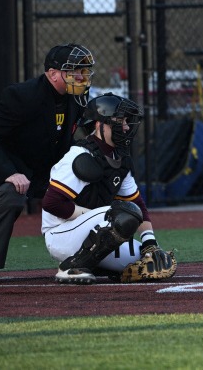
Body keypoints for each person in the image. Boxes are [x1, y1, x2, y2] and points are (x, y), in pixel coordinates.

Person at [0, 43, 95, 284]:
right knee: (12, 193)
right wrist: (9, 173)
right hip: (0, 162)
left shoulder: (77, 97)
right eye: (74, 71)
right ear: (53, 74)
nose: (81, 76)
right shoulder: (23, 95)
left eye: (84, 70)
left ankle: (88, 257)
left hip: (41, 168)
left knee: (88, 187)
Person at [41, 94, 176, 284]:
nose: (126, 127)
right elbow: (51, 203)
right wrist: (96, 216)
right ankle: (71, 266)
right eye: (120, 121)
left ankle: (93, 262)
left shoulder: (120, 158)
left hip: (92, 229)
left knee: (151, 262)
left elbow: (136, 203)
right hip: (61, 233)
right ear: (98, 124)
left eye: (127, 121)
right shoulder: (80, 155)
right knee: (122, 213)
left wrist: (150, 243)